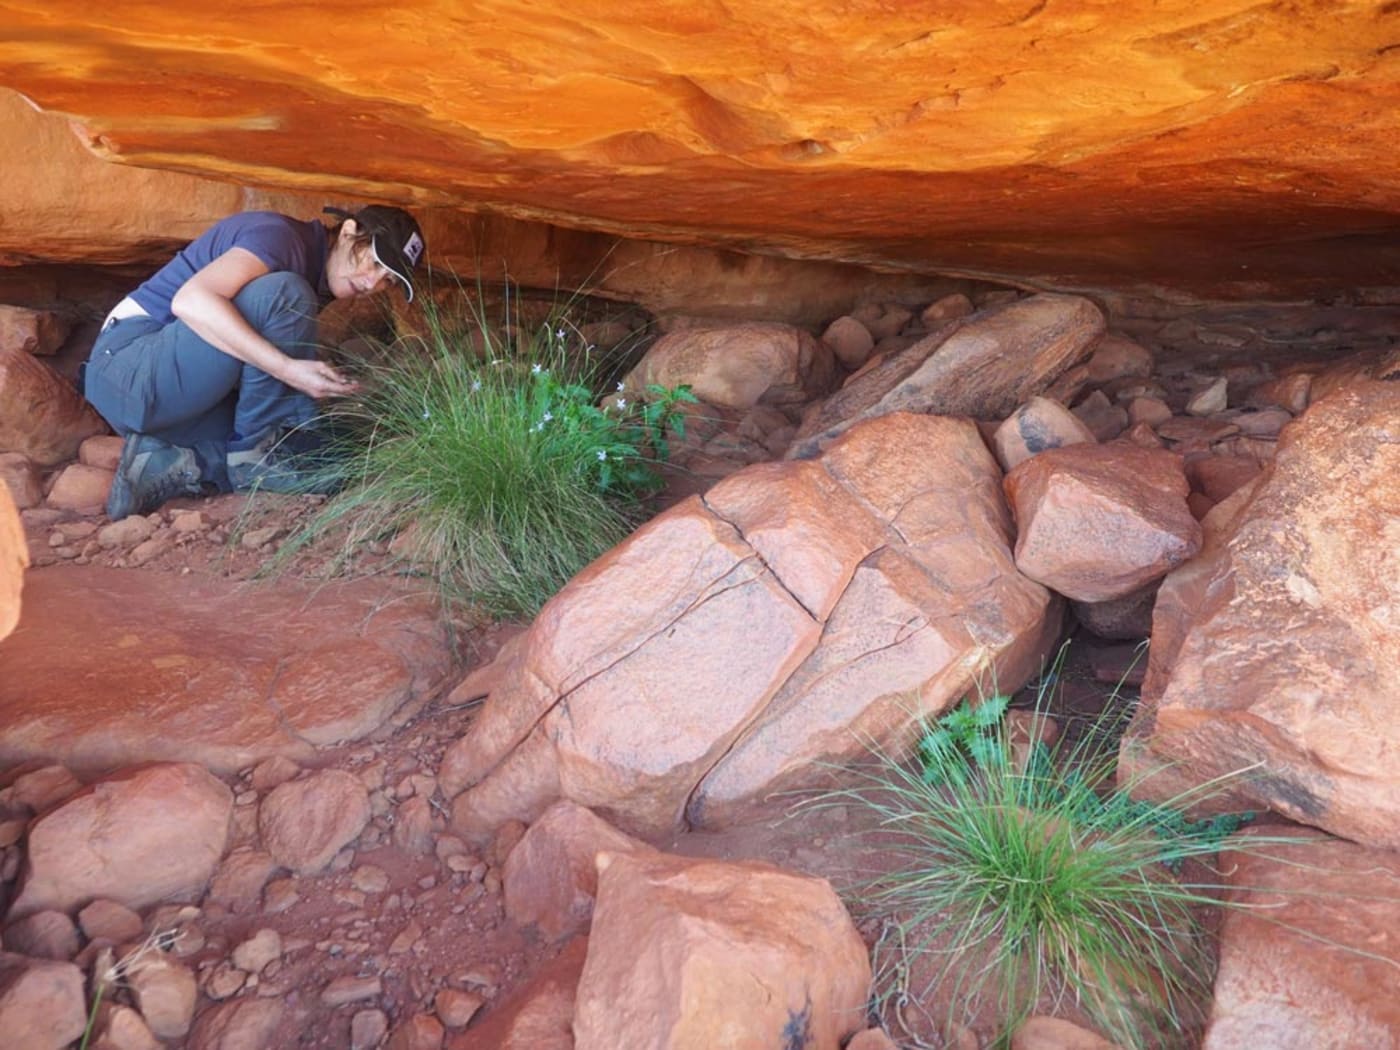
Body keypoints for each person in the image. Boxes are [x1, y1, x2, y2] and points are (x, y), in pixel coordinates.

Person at [84, 205, 426, 519]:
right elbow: (191, 301)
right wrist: (287, 369)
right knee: (285, 294)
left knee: (326, 450)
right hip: (128, 368)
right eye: (375, 262)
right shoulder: (281, 238)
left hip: (173, 402)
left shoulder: (318, 275)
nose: (373, 283)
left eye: (389, 280)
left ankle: (170, 461)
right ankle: (260, 459)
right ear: (349, 231)